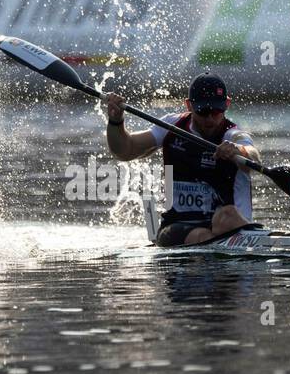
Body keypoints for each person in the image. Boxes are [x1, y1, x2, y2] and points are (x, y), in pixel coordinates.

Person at [104, 73, 261, 246]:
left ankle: (252, 239)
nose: (210, 119)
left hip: (228, 227)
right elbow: (125, 151)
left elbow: (253, 158)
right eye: (203, 111)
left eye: (216, 111)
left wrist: (238, 151)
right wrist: (116, 122)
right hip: (176, 227)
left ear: (227, 104)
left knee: (227, 215)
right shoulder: (171, 127)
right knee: (203, 235)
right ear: (189, 105)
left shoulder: (233, 135)